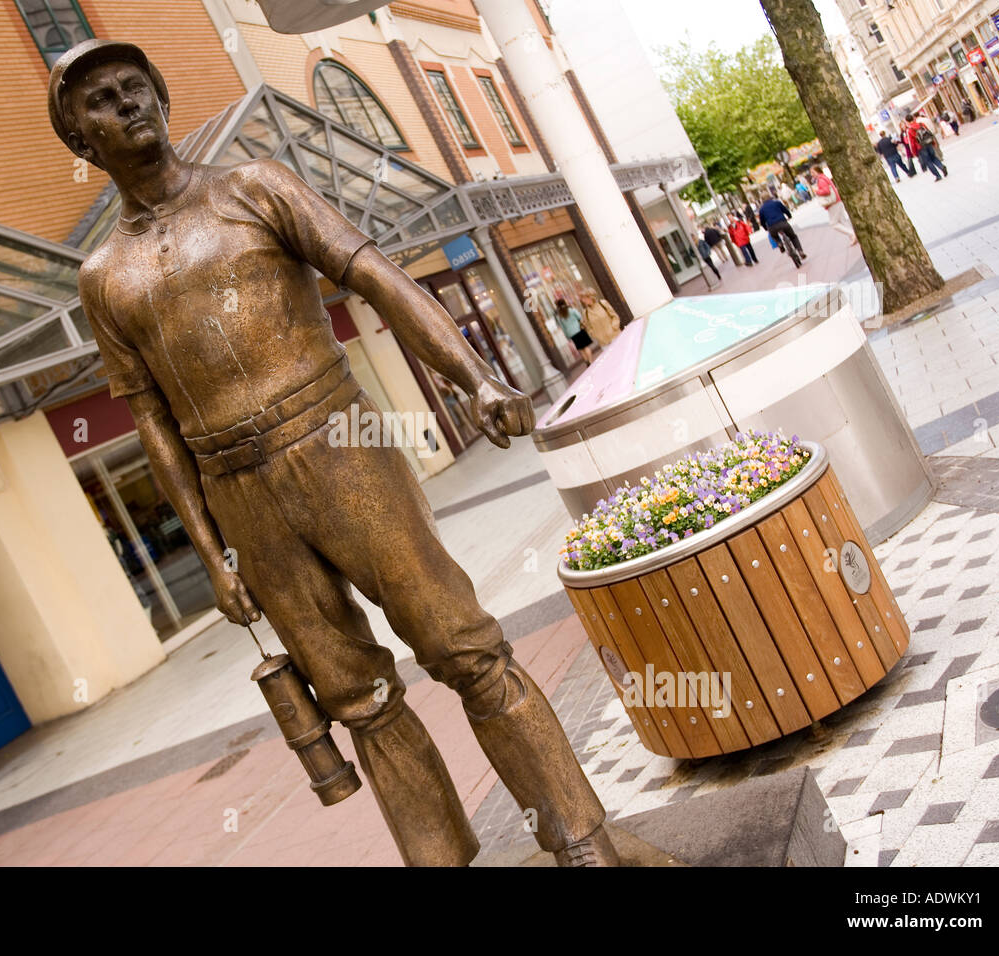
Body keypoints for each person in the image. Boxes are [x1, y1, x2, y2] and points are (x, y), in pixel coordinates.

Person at [50, 38, 613, 867]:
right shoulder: (104, 276)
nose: (128, 104)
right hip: (240, 493)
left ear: (163, 99)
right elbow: (152, 424)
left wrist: (475, 378)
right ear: (79, 139)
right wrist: (213, 556)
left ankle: (582, 841)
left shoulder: (254, 187)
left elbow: (376, 274)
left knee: (463, 647)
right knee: (358, 699)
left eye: (138, 86)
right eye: (102, 100)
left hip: (337, 445)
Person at [811, 166, 856, 246]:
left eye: (813, 172)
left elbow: (826, 191)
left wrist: (817, 191)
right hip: (837, 200)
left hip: (833, 203)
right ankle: (853, 236)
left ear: (818, 171)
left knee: (834, 223)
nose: (812, 175)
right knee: (843, 220)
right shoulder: (824, 177)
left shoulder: (821, 180)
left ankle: (852, 234)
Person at [757, 193, 806, 259]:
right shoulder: (777, 203)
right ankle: (800, 251)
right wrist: (789, 216)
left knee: (774, 236)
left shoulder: (761, 209)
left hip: (772, 227)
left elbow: (762, 221)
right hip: (783, 223)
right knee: (793, 237)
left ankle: (779, 243)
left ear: (762, 200)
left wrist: (766, 228)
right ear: (770, 197)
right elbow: (785, 210)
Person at [904, 112, 948, 181]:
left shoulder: (909, 130)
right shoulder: (921, 124)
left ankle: (938, 176)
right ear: (913, 118)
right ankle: (941, 167)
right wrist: (933, 142)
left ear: (907, 121)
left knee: (928, 162)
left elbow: (911, 143)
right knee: (934, 157)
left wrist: (914, 153)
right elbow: (929, 133)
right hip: (928, 143)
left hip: (920, 148)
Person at [556, 295, 594, 363]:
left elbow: (563, 327)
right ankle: (590, 361)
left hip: (571, 333)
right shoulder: (572, 310)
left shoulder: (559, 316)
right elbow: (579, 317)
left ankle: (586, 361)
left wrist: (567, 336)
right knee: (585, 347)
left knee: (580, 348)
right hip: (579, 330)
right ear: (565, 303)